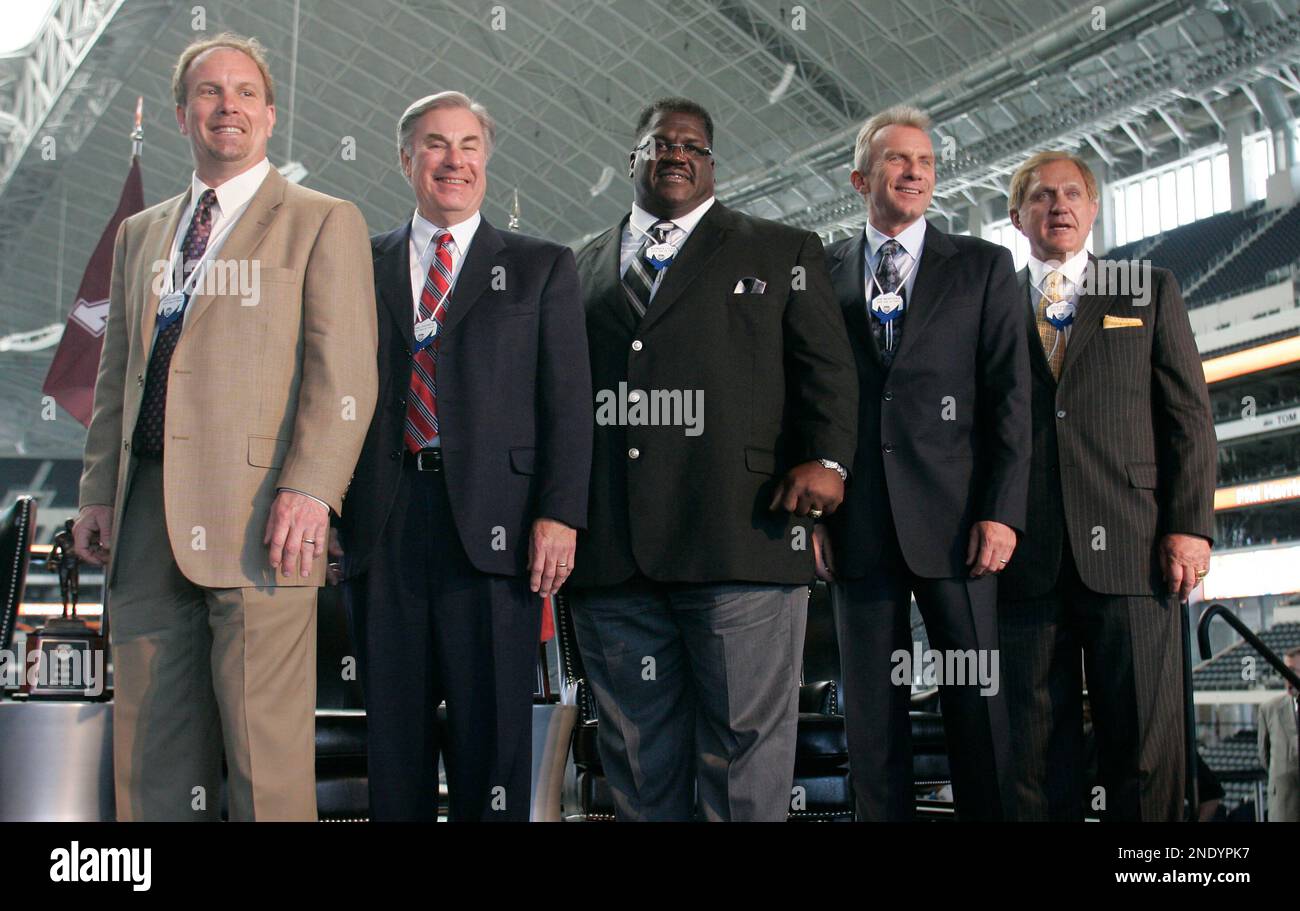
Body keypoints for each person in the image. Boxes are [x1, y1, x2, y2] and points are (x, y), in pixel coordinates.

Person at [73, 33, 378, 821]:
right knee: (150, 760)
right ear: (182, 115)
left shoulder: (320, 221)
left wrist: (311, 491)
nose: (228, 106)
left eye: (245, 92)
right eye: (210, 92)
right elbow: (117, 376)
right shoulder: (143, 233)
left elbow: (343, 374)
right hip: (143, 518)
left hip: (261, 522)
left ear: (270, 115)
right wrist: (99, 492)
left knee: (263, 762)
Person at [567, 97, 857, 821]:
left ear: (713, 163)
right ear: (632, 156)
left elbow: (827, 369)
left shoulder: (781, 249)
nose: (677, 154)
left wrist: (827, 459)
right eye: (660, 142)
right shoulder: (578, 268)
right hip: (613, 554)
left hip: (741, 537)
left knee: (742, 754)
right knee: (638, 757)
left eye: (694, 145)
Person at [335, 92, 592, 821]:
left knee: (494, 746)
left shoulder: (542, 266)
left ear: (486, 156)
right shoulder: (357, 260)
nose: (455, 161)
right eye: (437, 145)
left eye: (469, 145)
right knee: (395, 745)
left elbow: (569, 407)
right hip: (382, 527)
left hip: (500, 533)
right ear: (406, 158)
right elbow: (324, 389)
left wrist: (558, 513)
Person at [817, 104, 1030, 821]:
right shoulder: (820, 271)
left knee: (978, 711)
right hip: (858, 525)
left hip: (960, 523)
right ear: (859, 177)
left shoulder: (984, 266)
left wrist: (1002, 510)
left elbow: (1009, 399)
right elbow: (810, 396)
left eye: (926, 162)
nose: (913, 172)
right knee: (871, 723)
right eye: (897, 160)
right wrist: (814, 511)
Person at [998, 150, 1216, 822]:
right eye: (1041, 195)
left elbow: (1189, 418)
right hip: (1024, 556)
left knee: (1145, 750)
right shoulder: (988, 301)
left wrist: (1190, 525)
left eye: (1071, 194)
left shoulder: (1146, 287)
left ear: (1093, 209)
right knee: (1032, 758)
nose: (1058, 205)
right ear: (1017, 214)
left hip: (1135, 549)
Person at [1257, 647, 1300, 822]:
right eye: (1283, 671)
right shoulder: (1269, 709)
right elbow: (1265, 756)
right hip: (1284, 807)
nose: (1287, 678)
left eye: (1292, 671)